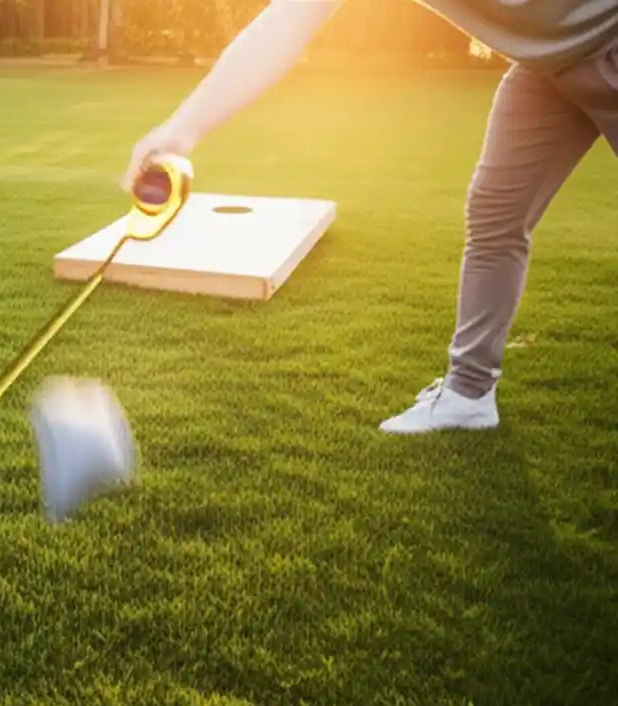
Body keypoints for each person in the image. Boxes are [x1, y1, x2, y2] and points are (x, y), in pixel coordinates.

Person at [124, 0, 617, 435]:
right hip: (548, 65)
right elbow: (286, 22)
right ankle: (468, 396)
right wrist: (182, 130)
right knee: (495, 216)